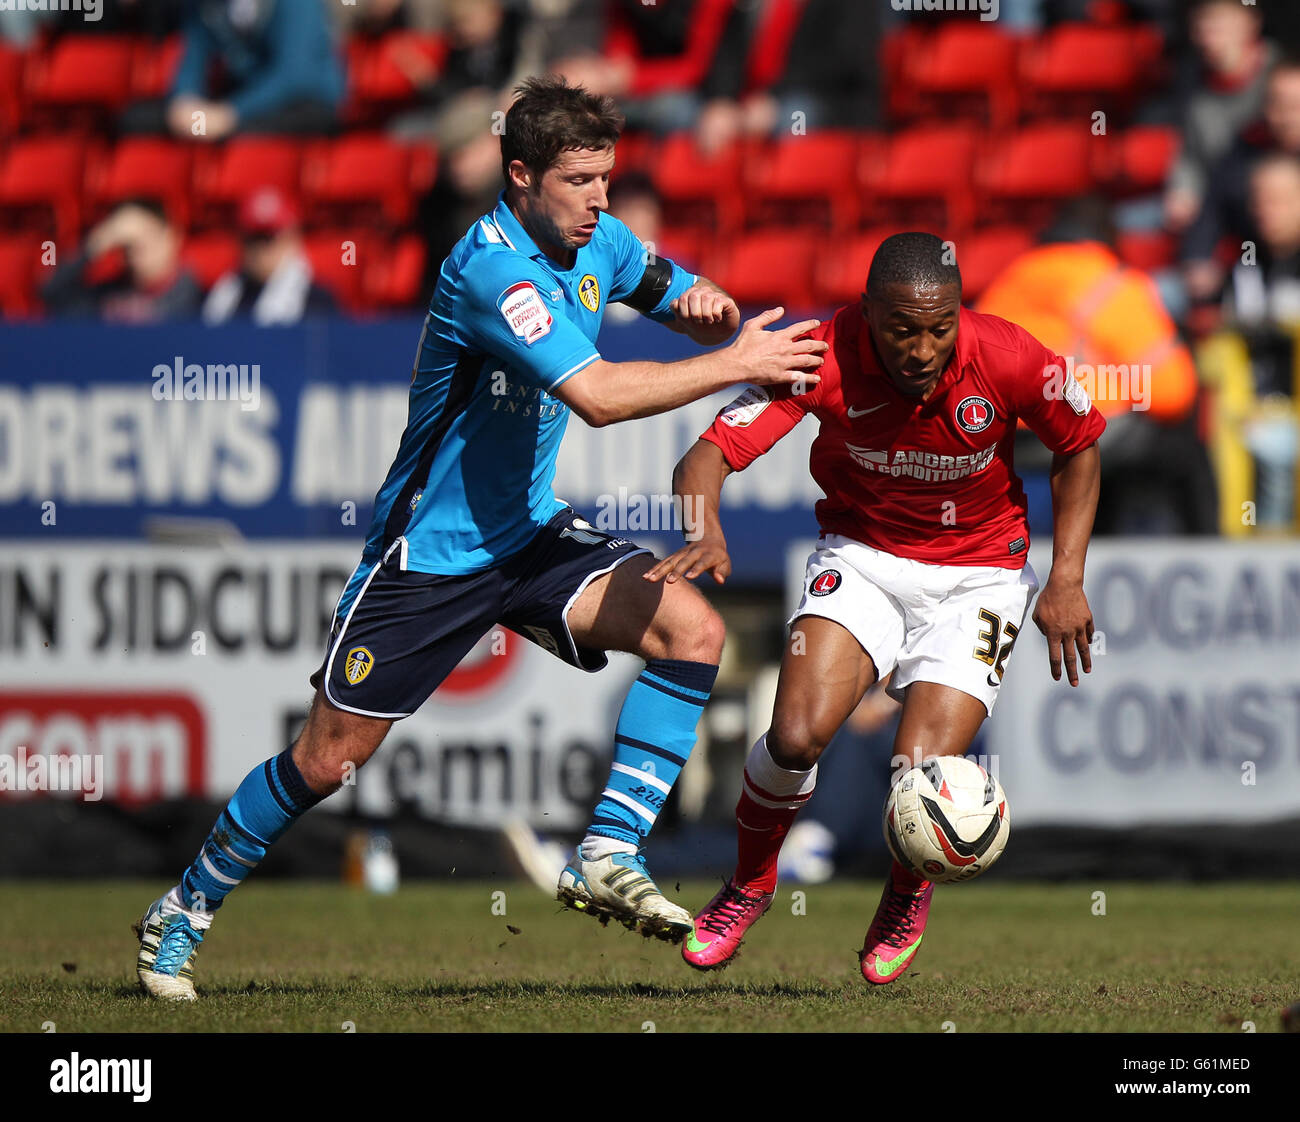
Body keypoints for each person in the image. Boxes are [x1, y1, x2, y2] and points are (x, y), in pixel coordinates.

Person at [133, 76, 827, 1001]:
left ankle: (606, 851)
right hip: (434, 555)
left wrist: (707, 303)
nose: (601, 199)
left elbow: (663, 282)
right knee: (327, 760)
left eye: (608, 178)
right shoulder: (491, 271)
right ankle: (183, 909)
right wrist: (734, 364)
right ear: (520, 175)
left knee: (693, 632)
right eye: (580, 180)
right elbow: (599, 397)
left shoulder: (594, 239)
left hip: (529, 534)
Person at [648, 232, 1105, 982]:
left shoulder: (1013, 356)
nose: (923, 349)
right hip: (863, 560)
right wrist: (706, 532)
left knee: (919, 769)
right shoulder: (821, 353)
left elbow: (1081, 444)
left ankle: (906, 891)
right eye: (902, 329)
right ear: (867, 315)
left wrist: (1066, 579)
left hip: (983, 574)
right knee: (794, 738)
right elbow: (705, 457)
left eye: (939, 328)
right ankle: (750, 885)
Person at [121, 0, 345, 139]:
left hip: (301, 104)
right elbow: (192, 58)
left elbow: (293, 76)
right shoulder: (203, 4)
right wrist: (185, 103)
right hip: (234, 101)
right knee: (136, 120)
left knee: (246, 135)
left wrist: (231, 113)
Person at [41, 197, 201, 323]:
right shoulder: (106, 296)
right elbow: (51, 292)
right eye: (128, 242)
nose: (138, 249)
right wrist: (96, 243)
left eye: (147, 235)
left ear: (171, 237)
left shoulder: (195, 295)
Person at [202, 186, 336, 325]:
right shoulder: (222, 297)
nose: (260, 249)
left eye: (269, 238)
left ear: (291, 238)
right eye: (252, 238)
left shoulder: (316, 303)